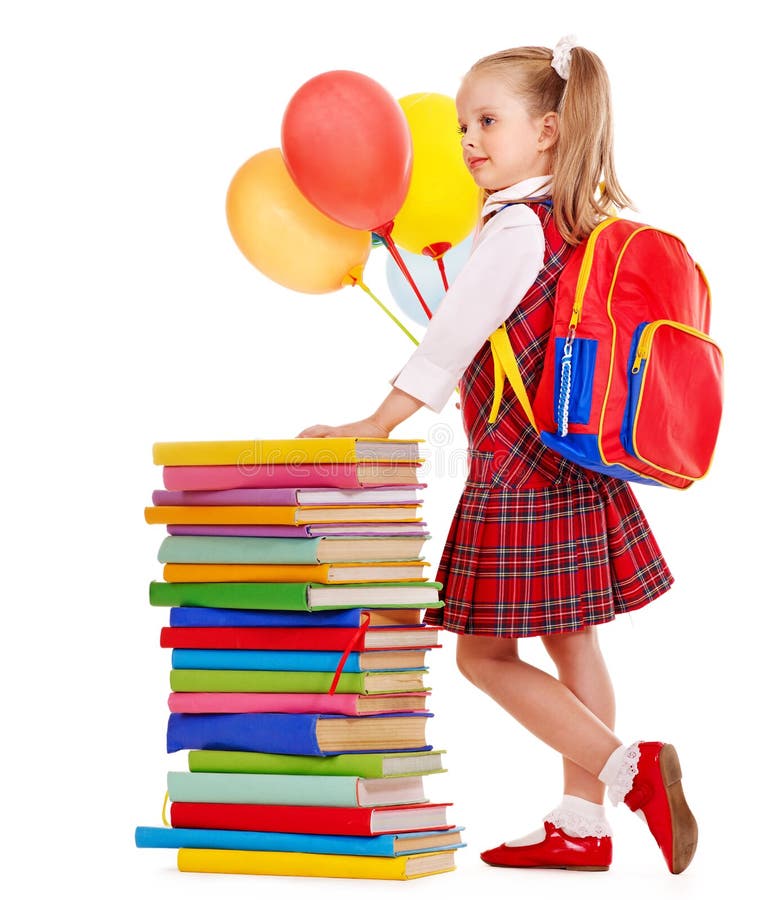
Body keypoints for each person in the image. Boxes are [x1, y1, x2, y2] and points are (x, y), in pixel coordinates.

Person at [297, 37, 697, 876]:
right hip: (575, 462)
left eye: (487, 120)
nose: (470, 140)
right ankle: (581, 826)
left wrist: (376, 423)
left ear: (548, 129)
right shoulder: (564, 215)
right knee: (575, 646)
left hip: (517, 470)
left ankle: (629, 773)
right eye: (460, 126)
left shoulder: (515, 226)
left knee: (483, 653)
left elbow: (450, 341)